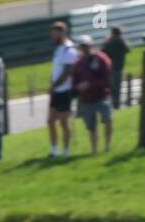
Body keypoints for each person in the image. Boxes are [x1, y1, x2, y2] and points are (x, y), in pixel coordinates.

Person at [71, 36, 113, 153]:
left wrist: (90, 84)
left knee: (108, 120)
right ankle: (94, 150)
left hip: (102, 96)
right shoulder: (78, 64)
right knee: (92, 127)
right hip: (87, 99)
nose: (84, 49)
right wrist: (77, 87)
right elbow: (74, 82)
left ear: (91, 45)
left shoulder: (101, 59)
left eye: (86, 46)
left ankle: (108, 146)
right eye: (82, 47)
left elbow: (106, 80)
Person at [48, 22, 78, 157]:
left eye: (54, 33)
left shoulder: (69, 49)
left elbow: (66, 73)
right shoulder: (58, 49)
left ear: (62, 33)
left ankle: (66, 150)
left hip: (65, 91)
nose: (52, 36)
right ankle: (54, 150)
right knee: (51, 121)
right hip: (56, 91)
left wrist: (53, 86)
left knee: (64, 122)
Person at [102, 26, 129, 108]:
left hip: (110, 69)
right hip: (118, 68)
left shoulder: (109, 42)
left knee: (111, 88)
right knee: (116, 88)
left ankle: (112, 105)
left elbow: (103, 52)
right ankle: (116, 105)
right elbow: (127, 49)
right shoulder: (120, 41)